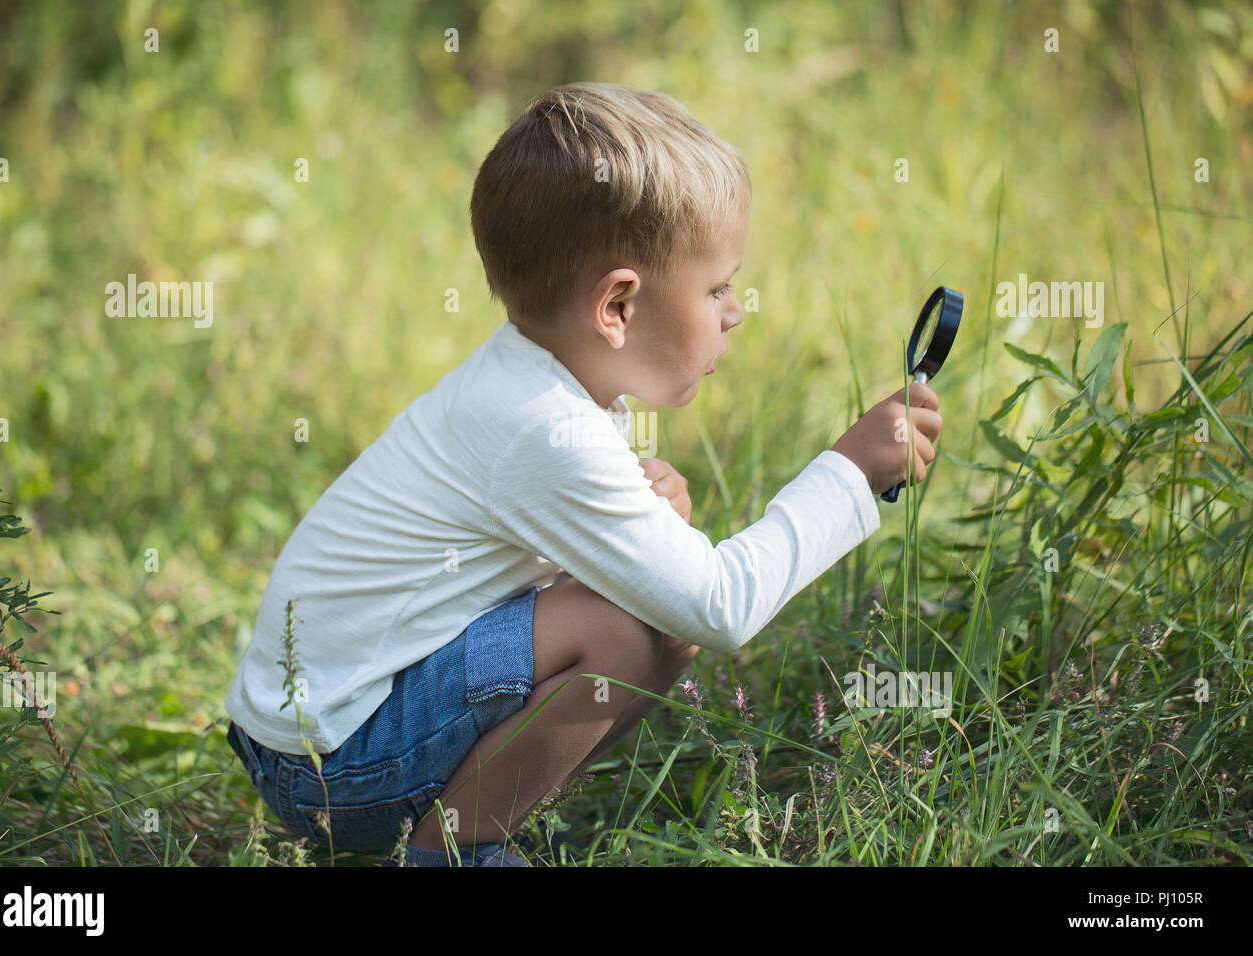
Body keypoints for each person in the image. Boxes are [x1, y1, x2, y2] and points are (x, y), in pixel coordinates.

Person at [224, 81, 943, 867]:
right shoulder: (546, 425)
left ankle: (476, 818)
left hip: (324, 734)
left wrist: (637, 527)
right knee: (629, 627)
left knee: (647, 616)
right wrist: (847, 472)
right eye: (717, 287)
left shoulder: (539, 387)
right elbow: (719, 606)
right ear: (619, 308)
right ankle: (452, 852)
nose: (735, 311)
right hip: (329, 770)